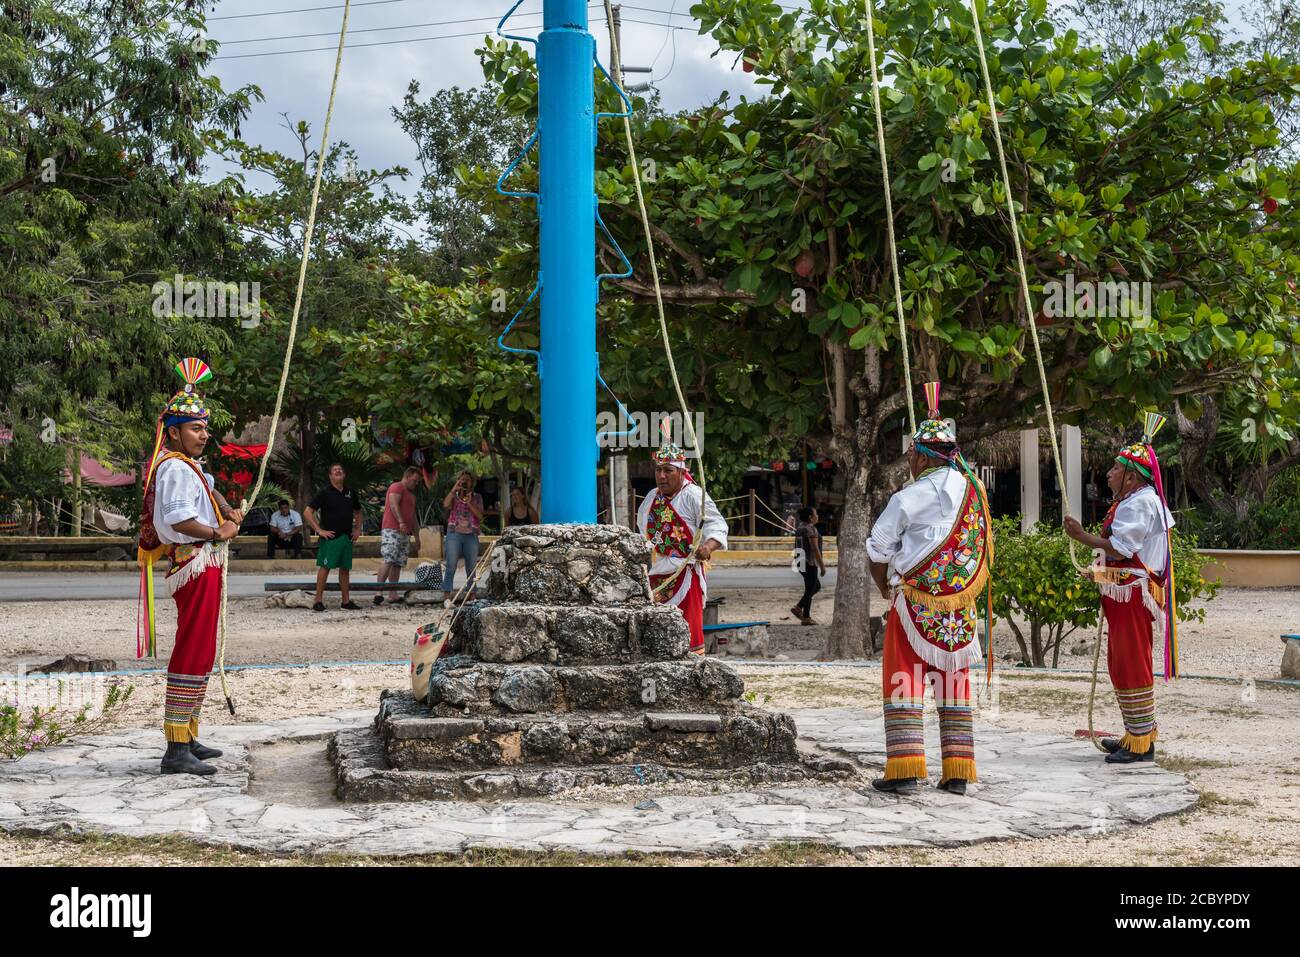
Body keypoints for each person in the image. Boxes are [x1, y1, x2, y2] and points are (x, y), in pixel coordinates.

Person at [866, 381, 993, 797]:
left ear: (921, 456)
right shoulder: (974, 493)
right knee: (953, 682)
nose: (908, 461)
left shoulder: (909, 497)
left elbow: (878, 549)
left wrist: (886, 588)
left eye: (910, 455)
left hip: (914, 603)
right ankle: (958, 769)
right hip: (960, 605)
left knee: (903, 676)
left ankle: (905, 769)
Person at [136, 358, 241, 776]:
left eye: (204, 428)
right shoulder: (176, 467)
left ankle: (188, 734)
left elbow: (209, 498)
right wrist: (218, 533)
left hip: (199, 564)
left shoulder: (187, 467)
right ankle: (176, 747)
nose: (204, 435)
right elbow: (180, 521)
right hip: (194, 561)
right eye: (196, 428)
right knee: (192, 649)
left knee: (201, 649)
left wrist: (228, 513)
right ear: (174, 432)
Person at [1065, 413, 1178, 765]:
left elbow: (1124, 550)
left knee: (1131, 663)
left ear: (1131, 477)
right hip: (1127, 593)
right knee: (1123, 662)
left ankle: (1142, 741)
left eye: (1115, 469)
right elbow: (1129, 558)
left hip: (1133, 597)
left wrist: (1082, 537)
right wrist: (1099, 575)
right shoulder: (1136, 500)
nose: (1109, 473)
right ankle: (1135, 733)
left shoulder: (1141, 502)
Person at [636, 443, 728, 654]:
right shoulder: (652, 497)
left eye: (668, 470)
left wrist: (708, 547)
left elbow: (717, 525)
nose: (662, 476)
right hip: (656, 572)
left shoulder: (694, 495)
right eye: (658, 470)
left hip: (685, 572)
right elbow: (642, 530)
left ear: (681, 472)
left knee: (688, 625)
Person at [305, 463, 363, 612]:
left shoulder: (351, 492)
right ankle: (318, 601)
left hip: (346, 537)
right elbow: (307, 512)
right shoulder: (324, 492)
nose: (338, 471)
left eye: (340, 470)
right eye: (335, 470)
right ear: (330, 475)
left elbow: (358, 512)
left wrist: (357, 529)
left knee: (345, 569)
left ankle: (346, 601)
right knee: (325, 567)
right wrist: (319, 530)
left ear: (344, 475)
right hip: (330, 538)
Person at [376, 466, 421, 605]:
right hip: (392, 529)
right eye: (414, 480)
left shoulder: (411, 496)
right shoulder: (397, 487)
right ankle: (379, 590)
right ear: (407, 477)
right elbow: (393, 504)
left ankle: (393, 593)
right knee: (389, 558)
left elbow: (413, 517)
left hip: (405, 532)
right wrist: (401, 521)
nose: (416, 483)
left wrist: (417, 537)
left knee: (398, 563)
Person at [442, 470, 484, 597]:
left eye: (468, 480)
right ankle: (446, 596)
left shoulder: (477, 497)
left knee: (471, 567)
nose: (465, 482)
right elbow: (445, 504)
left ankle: (471, 595)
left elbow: (480, 516)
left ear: (472, 483)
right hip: (454, 533)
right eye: (462, 479)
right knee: (451, 564)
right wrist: (454, 489)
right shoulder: (453, 496)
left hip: (471, 534)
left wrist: (470, 502)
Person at [791, 506, 827, 625]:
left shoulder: (800, 528)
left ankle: (805, 616)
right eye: (816, 514)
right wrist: (822, 566)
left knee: (811, 587)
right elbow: (815, 548)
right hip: (809, 561)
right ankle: (799, 609)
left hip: (799, 560)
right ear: (811, 518)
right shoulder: (811, 529)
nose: (818, 516)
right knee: (813, 588)